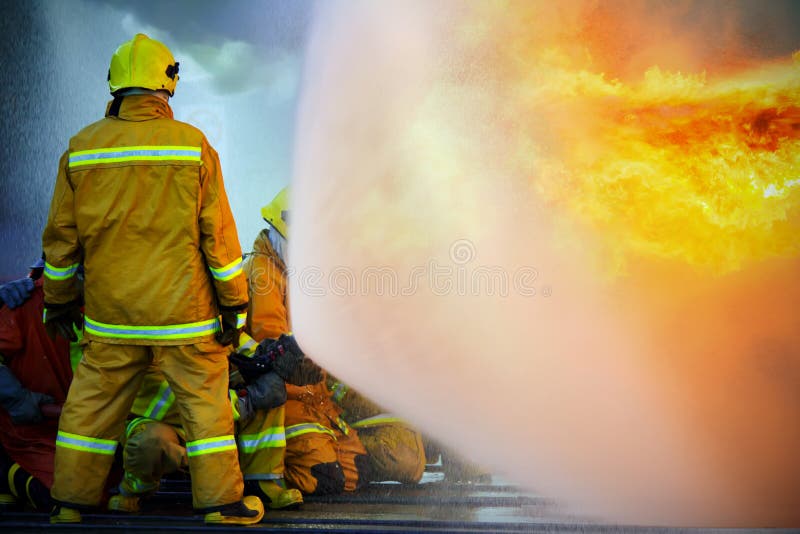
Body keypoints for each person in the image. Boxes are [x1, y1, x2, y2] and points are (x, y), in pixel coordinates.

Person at [41, 34, 262, 525]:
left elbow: (60, 241)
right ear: (169, 83)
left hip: (111, 318)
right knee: (206, 410)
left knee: (89, 411)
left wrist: (58, 302)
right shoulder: (192, 146)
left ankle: (70, 505)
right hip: (184, 317)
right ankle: (221, 505)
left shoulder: (80, 148)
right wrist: (235, 307)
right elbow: (220, 241)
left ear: (116, 85)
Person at [245, 187, 368, 496]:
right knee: (328, 479)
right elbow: (273, 345)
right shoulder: (262, 275)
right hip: (287, 403)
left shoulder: (301, 274)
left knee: (358, 471)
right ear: (278, 233)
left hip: (317, 401)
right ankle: (253, 475)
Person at [107, 331, 308, 513]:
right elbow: (163, 400)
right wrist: (243, 402)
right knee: (149, 443)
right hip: (167, 423)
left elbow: (235, 339)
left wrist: (270, 355)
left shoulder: (199, 314)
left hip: (211, 413)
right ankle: (136, 488)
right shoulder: (142, 335)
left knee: (268, 378)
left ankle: (262, 483)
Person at [0, 258, 81, 511]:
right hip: (32, 433)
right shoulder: (25, 303)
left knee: (88, 494)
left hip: (85, 431)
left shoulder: (116, 304)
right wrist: (18, 399)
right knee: (65, 499)